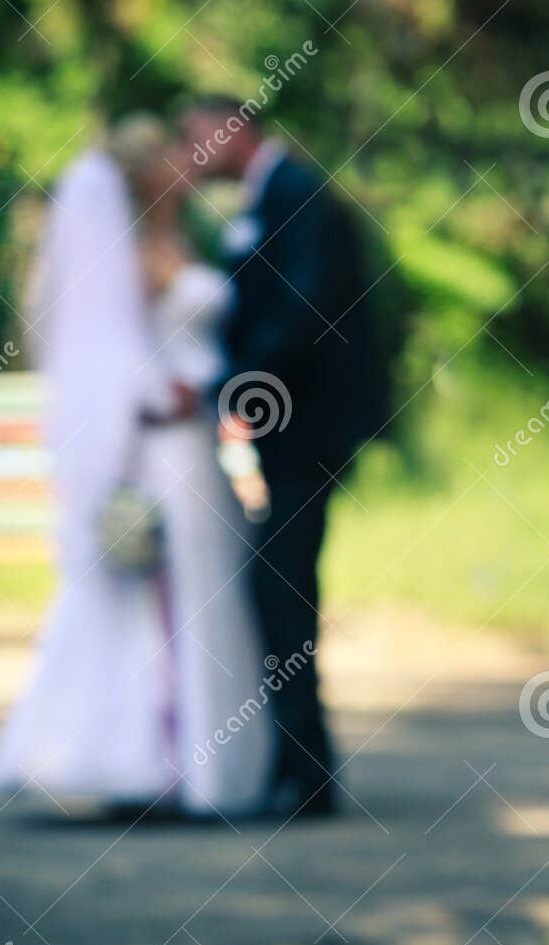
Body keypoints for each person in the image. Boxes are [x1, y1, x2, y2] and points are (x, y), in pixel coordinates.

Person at [0, 115, 271, 817]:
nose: (187, 161)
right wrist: (159, 395)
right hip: (168, 448)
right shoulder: (134, 254)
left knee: (209, 591)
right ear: (150, 173)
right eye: (174, 154)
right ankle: (166, 760)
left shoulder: (184, 238)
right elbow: (106, 350)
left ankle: (209, 762)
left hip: (199, 444)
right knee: (168, 599)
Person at [180, 97, 386, 819]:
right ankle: (297, 767)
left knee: (281, 588)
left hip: (309, 430)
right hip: (286, 430)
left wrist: (229, 383)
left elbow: (305, 312)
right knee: (280, 585)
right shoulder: (270, 197)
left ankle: (307, 776)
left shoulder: (298, 196)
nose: (191, 148)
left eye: (197, 134)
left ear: (235, 129)